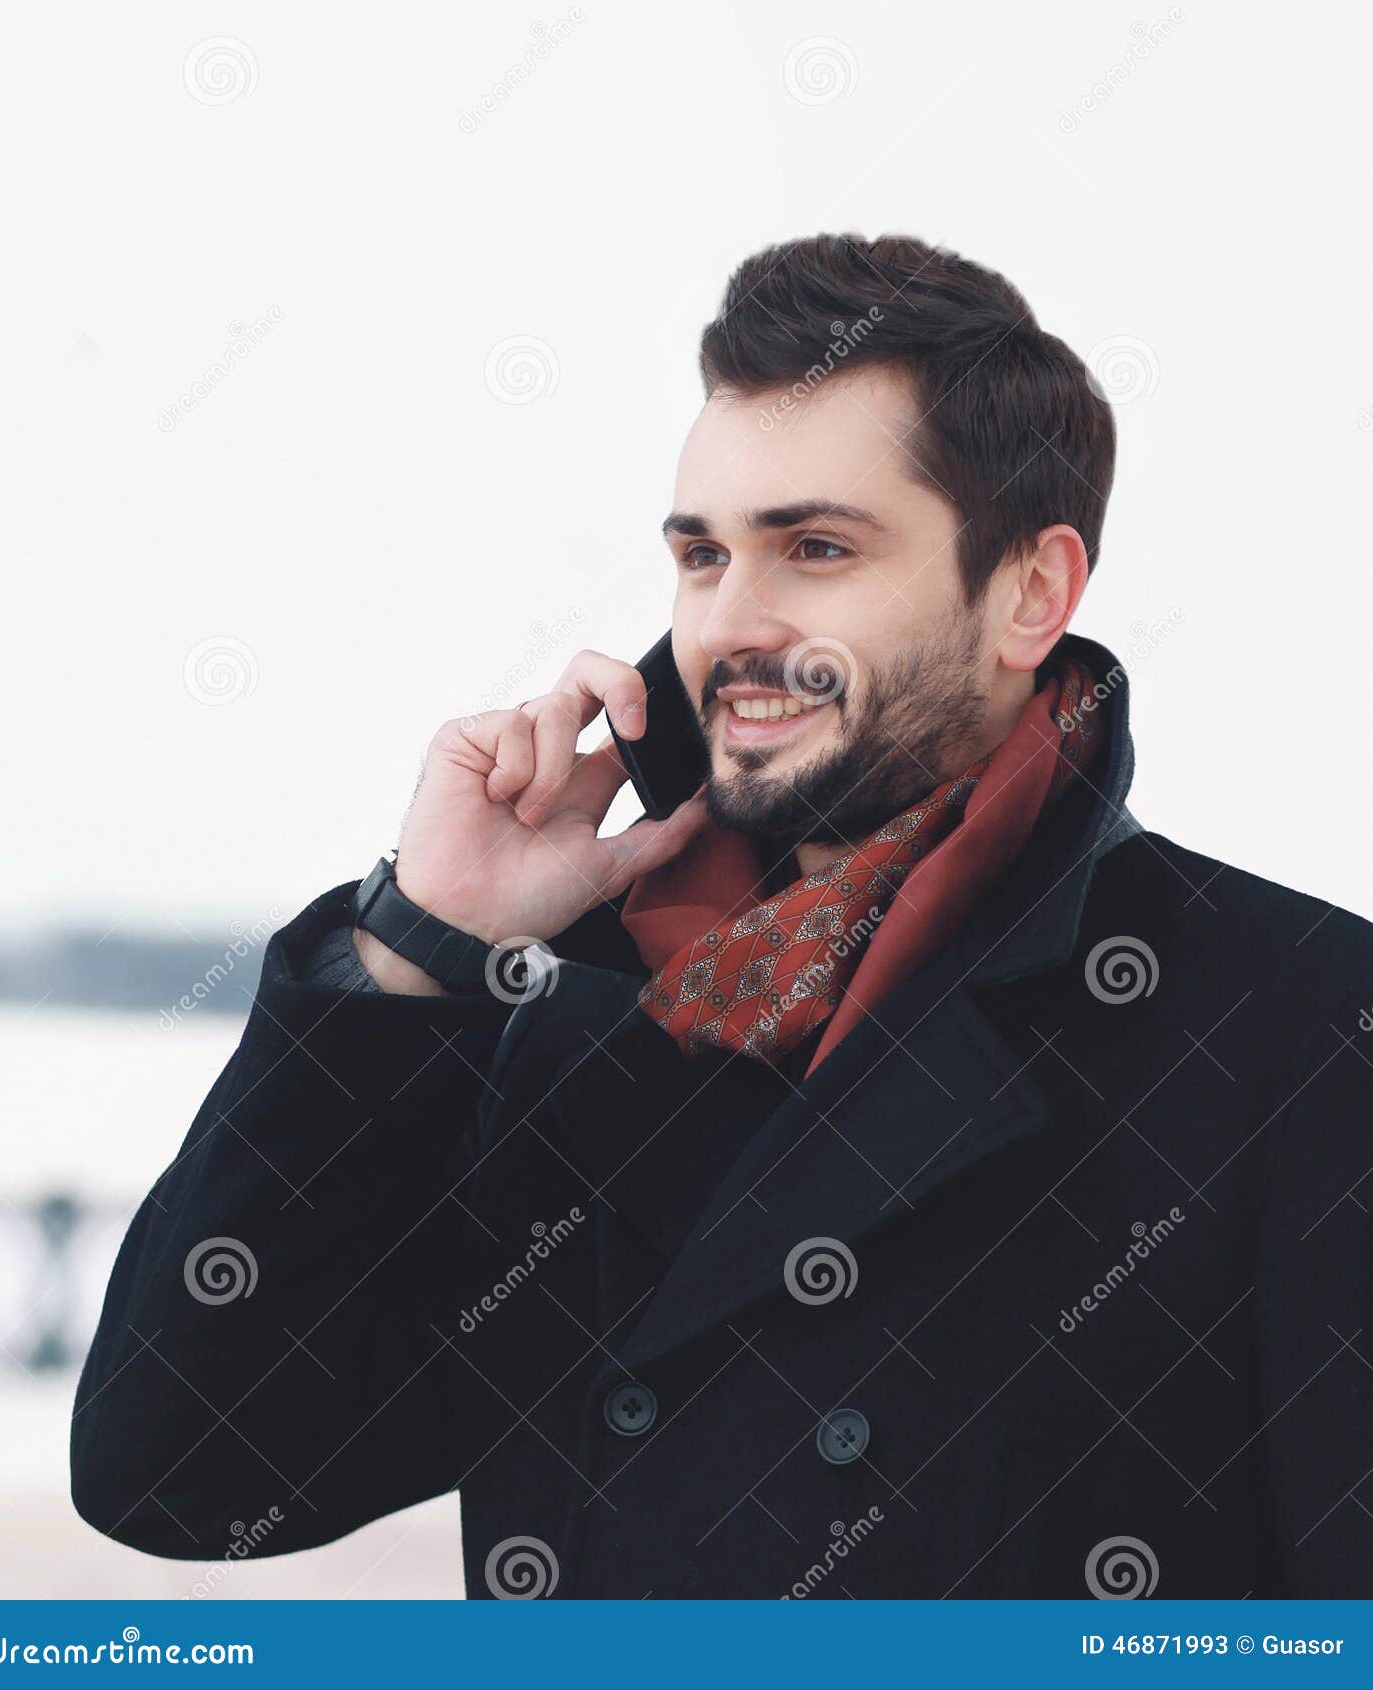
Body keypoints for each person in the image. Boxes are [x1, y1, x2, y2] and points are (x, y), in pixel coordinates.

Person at [71, 235, 1373, 1600]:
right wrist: (421, 946)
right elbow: (187, 1472)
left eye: (815, 548)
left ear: (1030, 593)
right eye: (702, 555)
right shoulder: (583, 1020)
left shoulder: (1294, 1027)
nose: (731, 623)